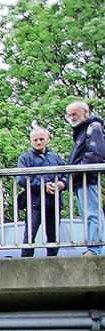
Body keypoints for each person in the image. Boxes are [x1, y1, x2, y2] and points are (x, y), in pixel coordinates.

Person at [15, 127, 67, 257]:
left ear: (47, 139)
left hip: (54, 202)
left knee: (53, 236)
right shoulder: (25, 158)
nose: (38, 142)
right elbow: (21, 179)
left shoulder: (56, 158)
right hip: (34, 203)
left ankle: (53, 262)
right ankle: (25, 263)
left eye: (41, 139)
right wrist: (43, 187)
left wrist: (63, 183)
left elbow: (68, 174)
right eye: (35, 140)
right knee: (29, 236)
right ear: (31, 141)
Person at [65, 100, 105, 255]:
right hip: (80, 180)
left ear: (85, 113)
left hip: (88, 178)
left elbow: (95, 152)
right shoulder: (82, 131)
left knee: (93, 215)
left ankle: (96, 249)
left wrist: (79, 170)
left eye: (74, 114)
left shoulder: (93, 128)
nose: (72, 118)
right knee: (88, 215)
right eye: (69, 115)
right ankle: (95, 248)